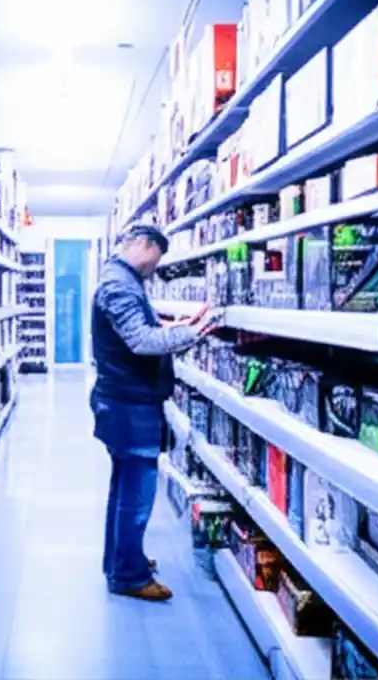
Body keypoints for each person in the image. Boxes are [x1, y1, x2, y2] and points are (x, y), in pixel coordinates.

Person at [90, 224, 217, 602]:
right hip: (129, 406)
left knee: (123, 489)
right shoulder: (119, 284)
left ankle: (121, 560)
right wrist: (194, 332)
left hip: (125, 401)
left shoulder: (122, 279)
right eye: (156, 260)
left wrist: (173, 326)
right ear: (146, 245)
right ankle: (128, 576)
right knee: (137, 495)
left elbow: (141, 327)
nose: (154, 270)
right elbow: (142, 341)